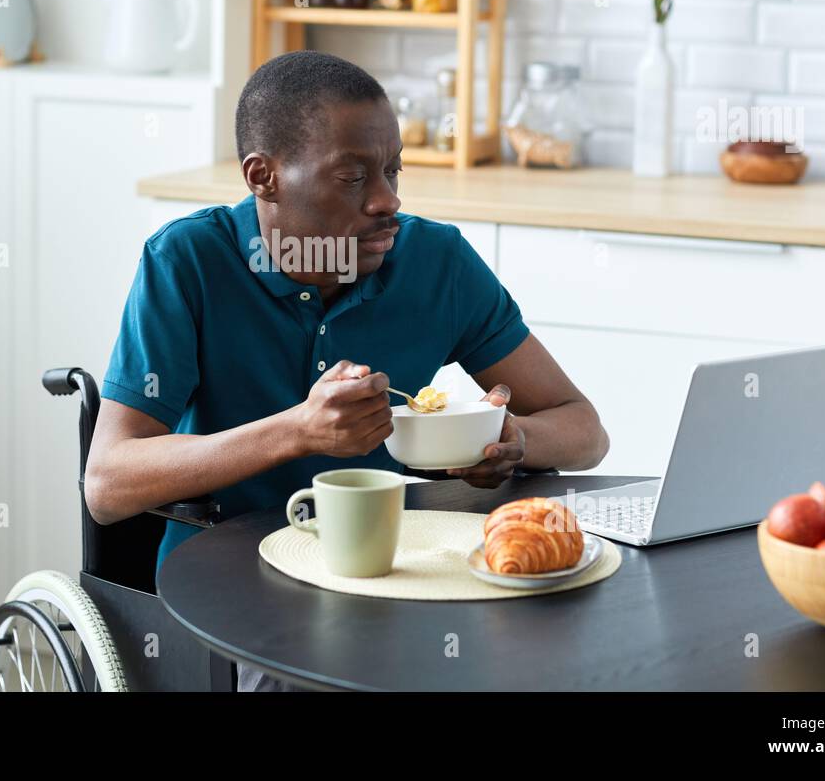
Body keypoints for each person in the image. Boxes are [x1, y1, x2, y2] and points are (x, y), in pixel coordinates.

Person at [87, 51, 610, 691]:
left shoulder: (436, 261)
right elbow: (108, 483)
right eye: (351, 177)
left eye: (391, 171)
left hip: (401, 583)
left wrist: (513, 441)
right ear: (265, 178)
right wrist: (298, 431)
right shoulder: (188, 262)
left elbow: (584, 430)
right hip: (236, 594)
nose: (387, 201)